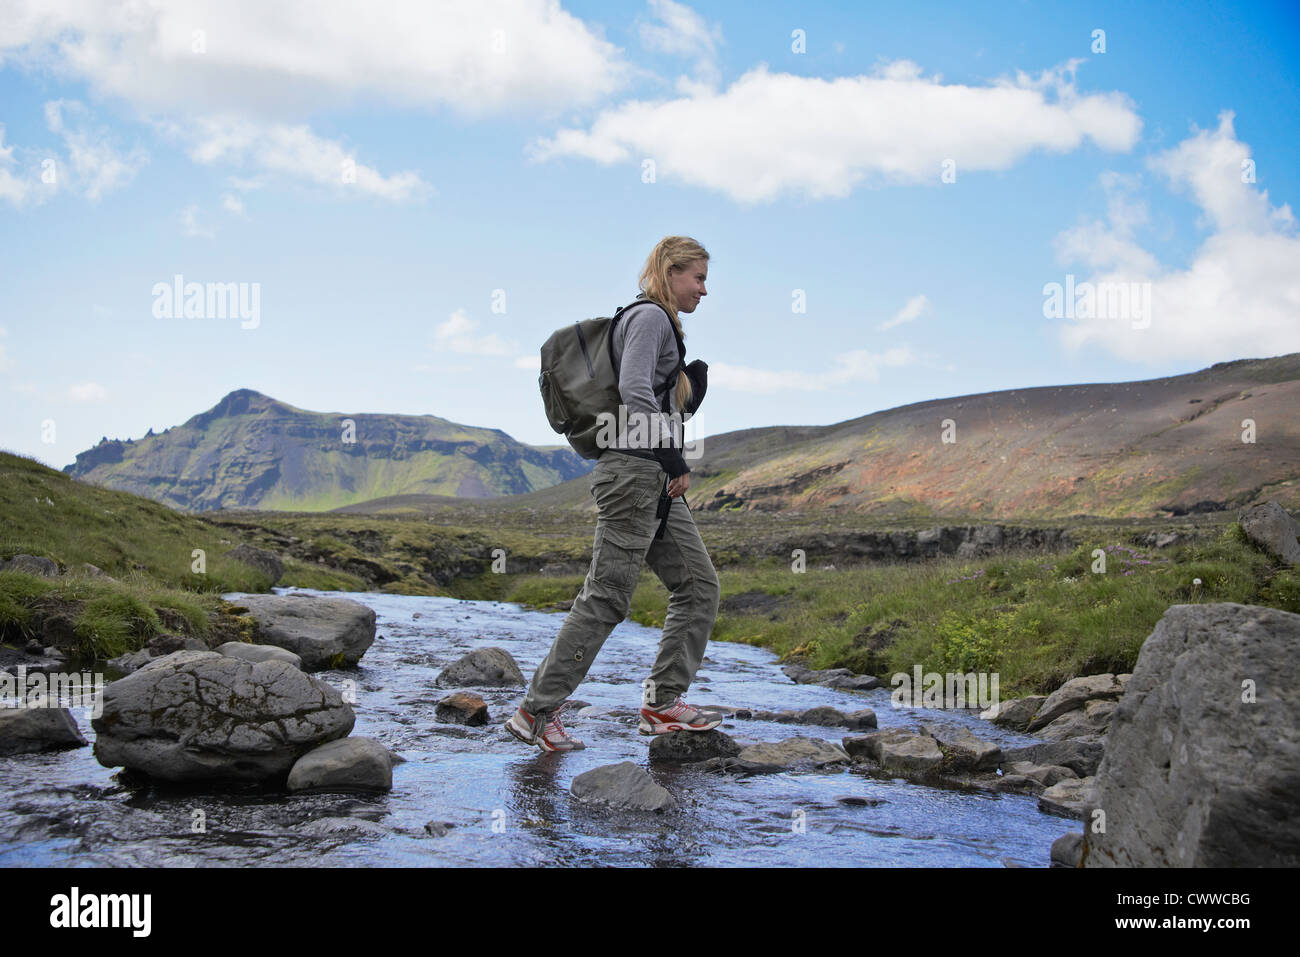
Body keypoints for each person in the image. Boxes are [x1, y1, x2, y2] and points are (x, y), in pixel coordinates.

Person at [506, 236, 723, 751]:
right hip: (635, 474)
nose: (704, 290)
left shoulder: (656, 324)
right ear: (671, 272)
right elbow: (633, 393)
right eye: (698, 278)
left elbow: (650, 400)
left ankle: (662, 704)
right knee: (606, 598)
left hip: (650, 474)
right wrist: (673, 457)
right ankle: (536, 712)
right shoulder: (649, 318)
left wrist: (688, 396)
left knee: (698, 586)